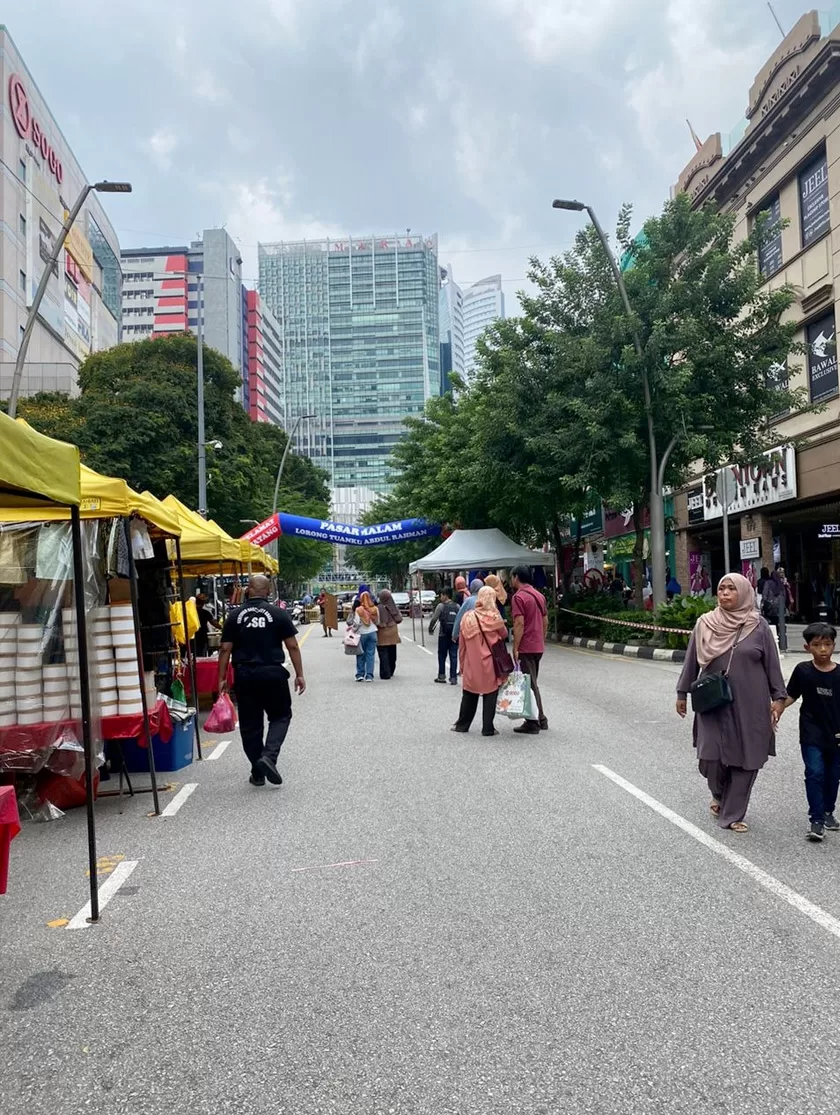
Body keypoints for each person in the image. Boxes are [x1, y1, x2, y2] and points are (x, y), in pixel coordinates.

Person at [676, 572, 786, 832]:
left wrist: (779, 697)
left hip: (751, 703)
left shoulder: (758, 626)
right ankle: (718, 792)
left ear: (744, 592)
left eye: (731, 589)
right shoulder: (705, 623)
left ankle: (732, 814)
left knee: (747, 756)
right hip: (713, 702)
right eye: (721, 588)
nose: (724, 593)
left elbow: (772, 664)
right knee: (710, 757)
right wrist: (682, 693)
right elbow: (691, 660)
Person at [217, 574, 306, 787]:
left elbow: (225, 648)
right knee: (281, 716)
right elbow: (292, 645)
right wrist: (299, 674)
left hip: (245, 676)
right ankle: (269, 757)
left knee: (250, 726)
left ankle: (257, 771)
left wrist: (221, 678)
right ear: (268, 592)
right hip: (273, 674)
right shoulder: (278, 614)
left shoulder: (235, 616)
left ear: (248, 590)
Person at [779, 622, 840, 842]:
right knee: (815, 772)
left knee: (833, 776)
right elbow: (791, 695)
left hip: (837, 735)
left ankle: (827, 811)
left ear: (834, 645)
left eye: (827, 644)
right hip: (811, 732)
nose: (822, 649)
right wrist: (776, 709)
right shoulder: (803, 671)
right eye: (816, 645)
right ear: (807, 648)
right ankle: (816, 819)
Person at [452, 586, 508, 736]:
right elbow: (504, 635)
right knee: (491, 693)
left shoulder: (468, 618)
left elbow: (462, 645)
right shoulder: (495, 617)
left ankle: (462, 725)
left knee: (469, 693)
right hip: (490, 662)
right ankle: (488, 728)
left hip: (472, 662)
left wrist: (462, 664)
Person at [510, 566, 549, 734]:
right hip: (538, 645)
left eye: (512, 577)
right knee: (532, 682)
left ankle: (537, 720)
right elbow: (545, 620)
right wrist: (542, 638)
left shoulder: (519, 597)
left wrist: (516, 647)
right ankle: (537, 719)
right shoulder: (539, 595)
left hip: (526, 645)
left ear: (516, 577)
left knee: (530, 684)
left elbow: (519, 623)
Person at [429, 585, 460, 684]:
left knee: (442, 655)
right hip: (454, 635)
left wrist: (431, 629)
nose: (440, 597)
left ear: (446, 595)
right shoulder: (457, 606)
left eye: (441, 595)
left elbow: (434, 619)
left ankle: (441, 676)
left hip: (443, 635)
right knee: (453, 656)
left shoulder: (441, 606)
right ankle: (453, 678)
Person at [352, 590, 379, 682]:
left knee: (360, 654)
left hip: (362, 633)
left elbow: (356, 623)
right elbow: (378, 621)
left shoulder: (359, 610)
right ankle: (369, 676)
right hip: (373, 633)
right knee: (370, 654)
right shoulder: (375, 609)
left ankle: (360, 674)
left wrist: (353, 630)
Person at [375, 589, 402, 679]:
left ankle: (385, 673)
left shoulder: (378, 608)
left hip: (382, 632)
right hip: (393, 631)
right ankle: (391, 670)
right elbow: (399, 619)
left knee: (383, 653)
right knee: (392, 652)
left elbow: (375, 620)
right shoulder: (393, 606)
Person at [194, 592, 219, 658]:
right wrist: (223, 627)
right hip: (201, 637)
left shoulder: (192, 612)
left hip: (193, 637)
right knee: (201, 656)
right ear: (203, 603)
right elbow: (214, 624)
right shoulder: (205, 613)